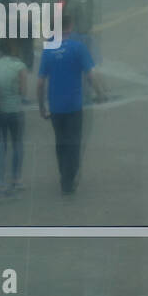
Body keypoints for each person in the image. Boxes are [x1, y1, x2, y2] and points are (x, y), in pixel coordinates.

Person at [37, 13, 106, 195]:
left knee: (60, 143)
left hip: (56, 107)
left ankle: (64, 176)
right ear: (71, 26)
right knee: (74, 144)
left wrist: (41, 106)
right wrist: (100, 94)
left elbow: (40, 82)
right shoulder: (78, 48)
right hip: (74, 106)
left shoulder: (48, 49)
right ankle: (69, 179)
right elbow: (90, 76)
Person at [0, 37, 28, 197]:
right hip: (14, 111)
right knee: (17, 145)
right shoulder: (19, 66)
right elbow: (23, 92)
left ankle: (0, 183)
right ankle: (16, 179)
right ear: (12, 49)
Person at [0, 0, 38, 73]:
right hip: (12, 40)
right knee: (12, 69)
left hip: (27, 39)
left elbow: (35, 6)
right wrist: (20, 17)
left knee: (26, 69)